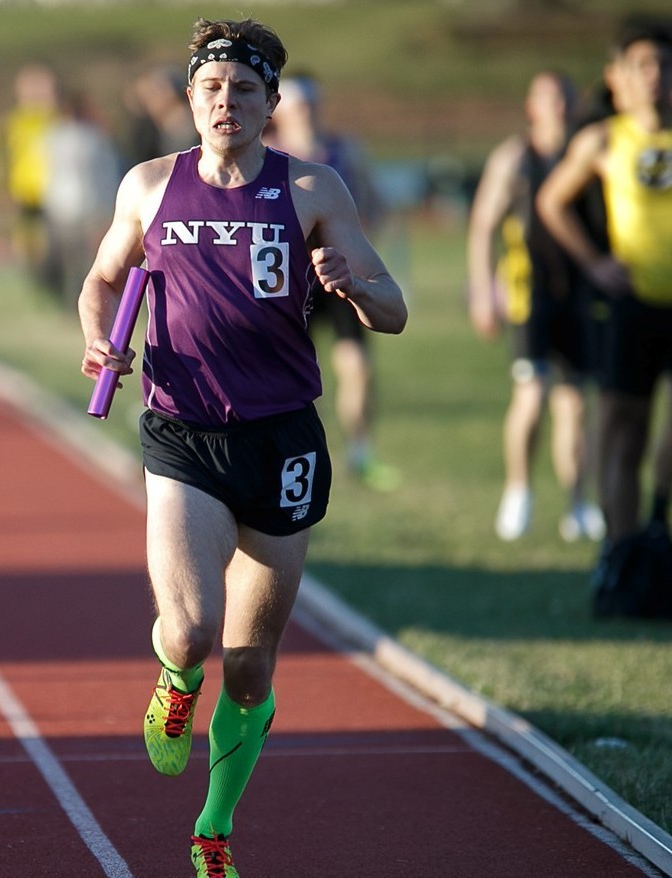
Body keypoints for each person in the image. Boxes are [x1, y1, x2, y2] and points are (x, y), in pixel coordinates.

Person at [77, 18, 405, 877]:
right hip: (184, 431)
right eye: (213, 89)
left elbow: (393, 306)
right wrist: (97, 336)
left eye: (245, 90)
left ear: (272, 104)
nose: (228, 102)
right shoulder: (149, 186)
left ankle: (212, 829)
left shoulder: (311, 189)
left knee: (251, 667)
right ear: (190, 101)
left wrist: (354, 288)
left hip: (283, 438)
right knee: (189, 633)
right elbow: (105, 276)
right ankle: (175, 685)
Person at [535, 19, 672, 577]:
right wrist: (596, 263)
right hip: (630, 305)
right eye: (643, 65)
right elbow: (552, 201)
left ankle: (658, 526)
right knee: (623, 430)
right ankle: (620, 552)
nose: (657, 77)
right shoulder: (605, 140)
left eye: (665, 65)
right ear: (617, 78)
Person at [466, 70, 606, 542]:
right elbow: (484, 226)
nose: (558, 106)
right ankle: (518, 492)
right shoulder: (514, 158)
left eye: (565, 96)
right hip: (530, 298)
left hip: (582, 295)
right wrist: (484, 293)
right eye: (548, 98)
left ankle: (578, 504)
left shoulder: (588, 152)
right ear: (532, 106)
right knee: (532, 396)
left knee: (575, 406)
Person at [263, 71, 401, 491]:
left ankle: (360, 453)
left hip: (341, 277)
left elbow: (375, 203)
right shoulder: (268, 157)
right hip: (289, 283)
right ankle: (282, 453)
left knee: (358, 368)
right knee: (286, 376)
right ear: (280, 109)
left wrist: (363, 244)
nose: (308, 113)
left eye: (313, 104)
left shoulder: (345, 151)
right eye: (299, 105)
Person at [0, 62, 60, 297]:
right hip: (23, 192)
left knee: (56, 245)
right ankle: (41, 287)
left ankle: (57, 287)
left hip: (56, 192)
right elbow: (0, 160)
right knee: (28, 247)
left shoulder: (60, 119)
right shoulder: (11, 123)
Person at [42, 88, 121, 309]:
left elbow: (106, 171)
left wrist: (107, 204)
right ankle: (70, 301)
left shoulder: (95, 137)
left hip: (90, 205)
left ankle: (87, 303)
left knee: (90, 261)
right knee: (66, 258)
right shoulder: (55, 137)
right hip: (64, 205)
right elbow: (51, 172)